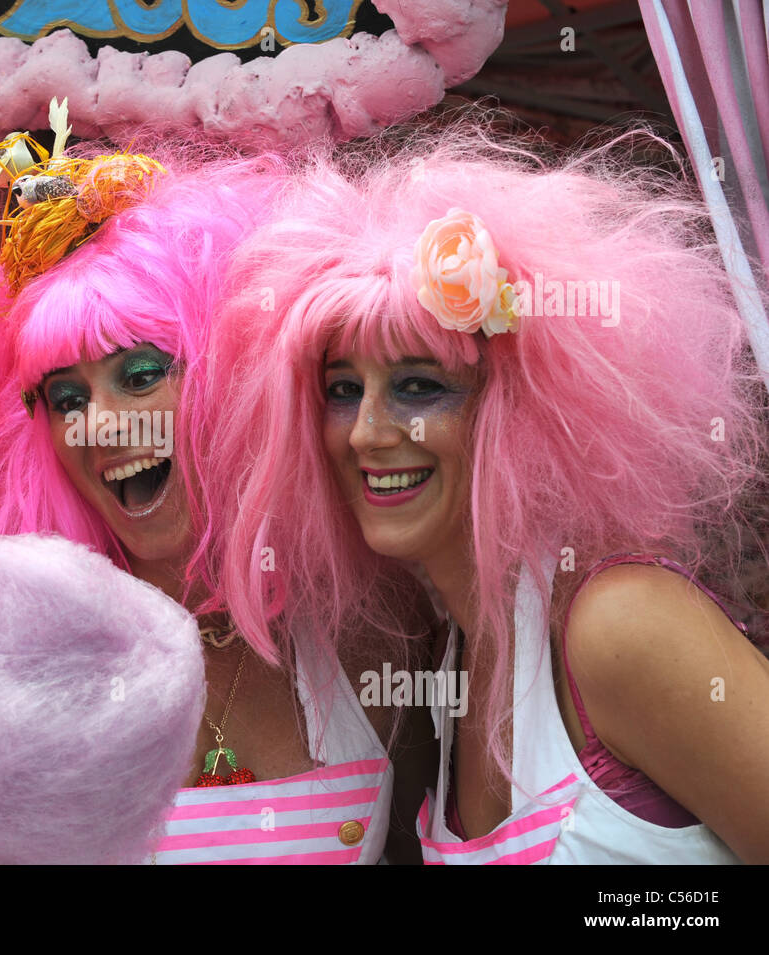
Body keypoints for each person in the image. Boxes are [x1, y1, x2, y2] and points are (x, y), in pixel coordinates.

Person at [215, 127, 769, 863]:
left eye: (420, 386)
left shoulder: (617, 625)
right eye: (344, 390)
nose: (368, 433)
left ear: (518, 409)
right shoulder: (458, 654)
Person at [0, 136, 433, 865]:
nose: (102, 424)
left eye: (141, 375)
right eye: (67, 396)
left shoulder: (366, 629)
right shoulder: (15, 671)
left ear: (232, 379)